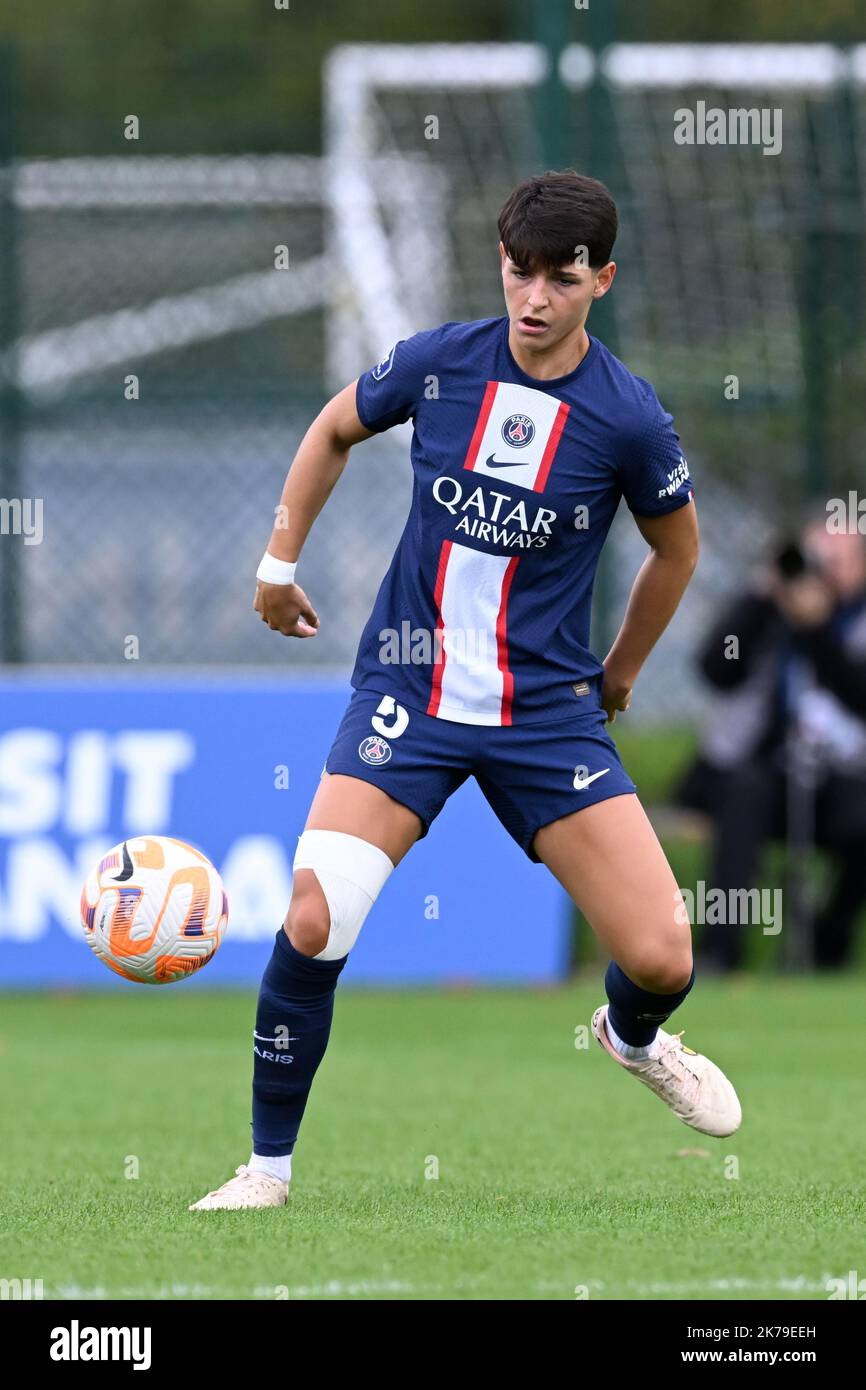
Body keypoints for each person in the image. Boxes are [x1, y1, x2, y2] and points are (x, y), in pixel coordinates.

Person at [190, 170, 740, 1211]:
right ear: (500, 264)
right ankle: (265, 1171)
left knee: (664, 953)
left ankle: (627, 1035)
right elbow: (332, 429)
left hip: (542, 715)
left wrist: (617, 670)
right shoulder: (440, 364)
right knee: (314, 918)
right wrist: (275, 564)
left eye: (559, 278)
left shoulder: (625, 419)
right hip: (410, 690)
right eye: (517, 271)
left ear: (601, 281)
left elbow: (676, 551)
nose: (533, 297)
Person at [680, 521, 866, 972]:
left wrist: (818, 630)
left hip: (844, 779)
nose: (821, 575)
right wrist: (759, 598)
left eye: (835, 562)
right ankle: (721, 952)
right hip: (769, 773)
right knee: (743, 794)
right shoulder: (767, 614)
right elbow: (714, 669)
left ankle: (831, 941)